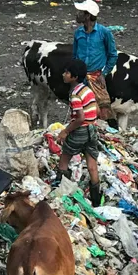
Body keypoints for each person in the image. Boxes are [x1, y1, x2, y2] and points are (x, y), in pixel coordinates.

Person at [55, 59, 102, 207]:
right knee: (92, 165)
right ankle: (96, 201)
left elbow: (80, 118)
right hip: (92, 129)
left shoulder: (75, 94)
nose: (64, 74)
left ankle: (60, 193)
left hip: (80, 130)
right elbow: (97, 110)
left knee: (64, 160)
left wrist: (65, 131)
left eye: (67, 72)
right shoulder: (87, 89)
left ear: (74, 77)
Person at [73, 0, 118, 128]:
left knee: (103, 110)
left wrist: (103, 74)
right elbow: (75, 56)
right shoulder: (78, 33)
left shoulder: (104, 33)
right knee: (81, 108)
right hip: (81, 77)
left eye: (81, 12)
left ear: (88, 15)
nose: (77, 14)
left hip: (96, 76)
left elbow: (113, 55)